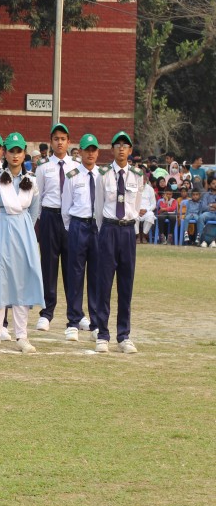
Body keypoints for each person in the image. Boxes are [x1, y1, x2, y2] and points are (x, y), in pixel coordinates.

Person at [0, 132, 43, 354]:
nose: (14, 155)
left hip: (23, 232)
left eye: (18, 151)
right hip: (1, 229)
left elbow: (34, 211)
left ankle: (21, 335)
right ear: (5, 152)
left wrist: (23, 230)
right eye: (11, 150)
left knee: (22, 282)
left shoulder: (31, 180)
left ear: (24, 154)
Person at [93, 131, 144, 354]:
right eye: (118, 145)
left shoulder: (137, 175)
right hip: (109, 229)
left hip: (127, 232)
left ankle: (124, 335)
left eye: (126, 145)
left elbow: (137, 205)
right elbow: (97, 208)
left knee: (126, 285)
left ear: (130, 150)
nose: (122, 148)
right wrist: (103, 230)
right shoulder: (103, 174)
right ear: (112, 149)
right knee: (104, 284)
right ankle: (102, 334)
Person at [33, 122, 76, 331]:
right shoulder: (43, 168)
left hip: (70, 219)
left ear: (69, 141)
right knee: (48, 266)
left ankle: (75, 313)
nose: (60, 142)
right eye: (56, 139)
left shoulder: (76, 168)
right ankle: (46, 312)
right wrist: (39, 224)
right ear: (51, 141)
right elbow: (38, 198)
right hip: (49, 217)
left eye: (63, 139)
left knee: (72, 267)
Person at [60, 134, 101, 342]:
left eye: (94, 150)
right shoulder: (72, 175)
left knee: (95, 275)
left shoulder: (103, 175)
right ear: (81, 152)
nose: (91, 153)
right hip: (77, 224)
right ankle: (73, 321)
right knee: (75, 274)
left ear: (97, 152)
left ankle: (95, 322)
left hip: (96, 228)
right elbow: (65, 207)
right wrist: (72, 228)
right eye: (87, 150)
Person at [136, 174, 156, 244]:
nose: (143, 181)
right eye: (141, 180)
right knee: (133, 216)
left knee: (150, 216)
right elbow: (131, 202)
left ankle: (144, 235)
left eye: (144, 180)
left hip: (147, 210)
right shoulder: (135, 188)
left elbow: (153, 204)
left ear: (146, 180)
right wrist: (138, 210)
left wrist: (146, 210)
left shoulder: (150, 189)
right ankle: (137, 236)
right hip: (136, 210)